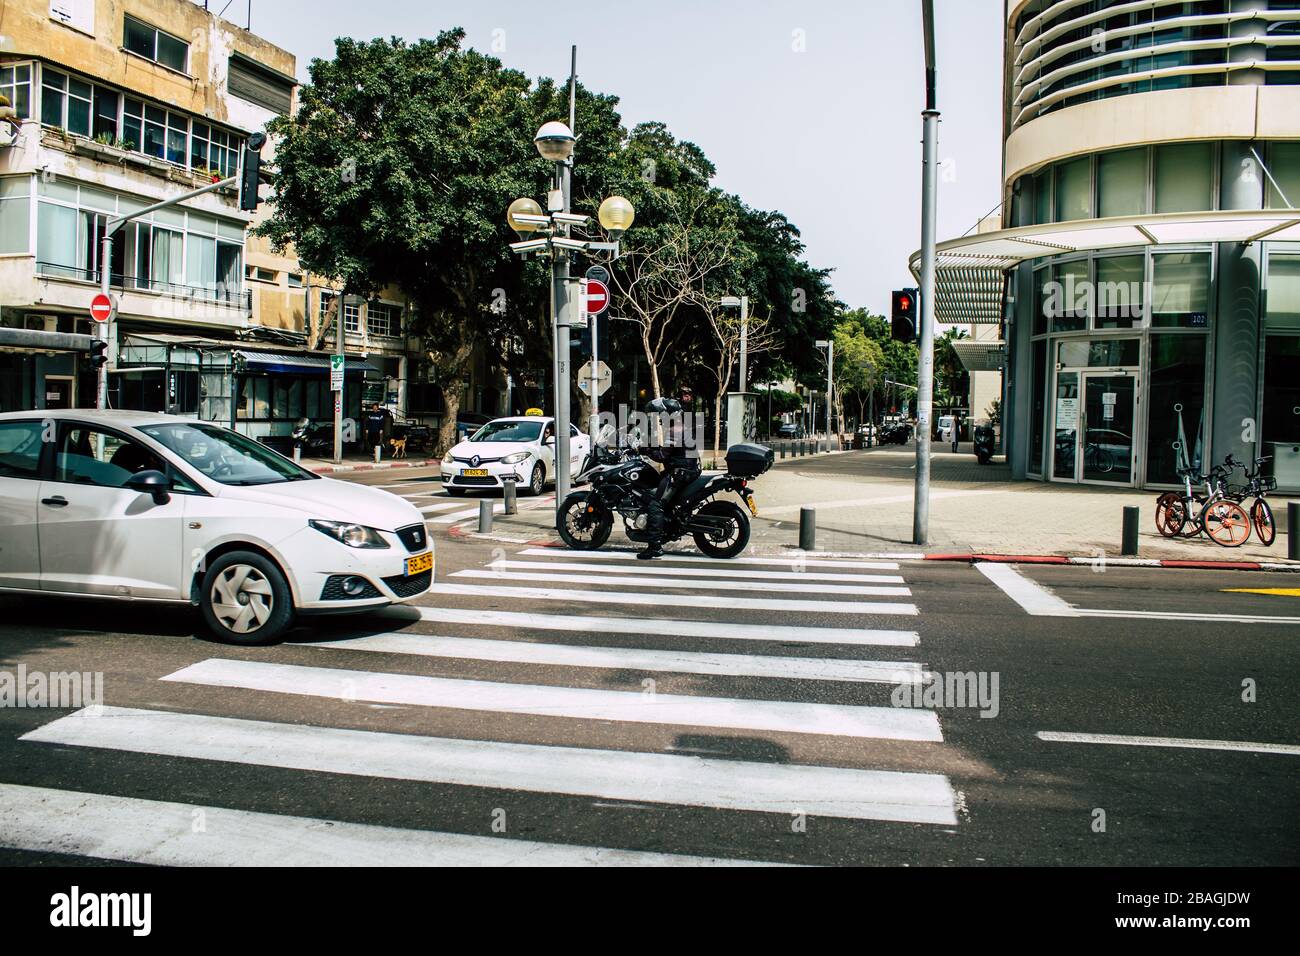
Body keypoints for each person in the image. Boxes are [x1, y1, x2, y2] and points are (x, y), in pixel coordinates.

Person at [638, 397, 700, 560]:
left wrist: (646, 451)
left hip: (680, 473)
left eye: (661, 416)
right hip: (688, 469)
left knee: (655, 505)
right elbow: (670, 452)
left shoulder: (674, 430)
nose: (659, 420)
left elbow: (661, 456)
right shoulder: (682, 427)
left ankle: (654, 547)